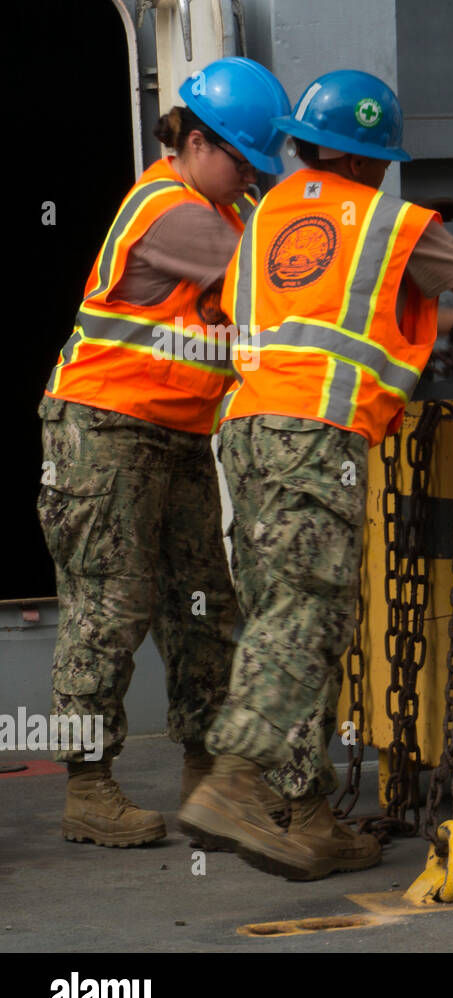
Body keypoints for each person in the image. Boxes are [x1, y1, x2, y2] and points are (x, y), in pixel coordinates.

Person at [180, 69, 453, 880]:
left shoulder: (259, 220)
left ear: (305, 144)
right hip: (314, 438)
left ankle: (306, 814)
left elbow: (266, 311)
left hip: (245, 435)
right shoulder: (393, 222)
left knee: (287, 621)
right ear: (369, 160)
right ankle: (236, 784)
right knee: (301, 620)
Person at [38, 57, 291, 847]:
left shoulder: (231, 205)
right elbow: (277, 287)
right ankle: (88, 788)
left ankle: (206, 775)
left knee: (205, 608)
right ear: (198, 142)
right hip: (103, 430)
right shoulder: (172, 210)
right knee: (110, 606)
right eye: (242, 160)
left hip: (177, 434)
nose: (249, 177)